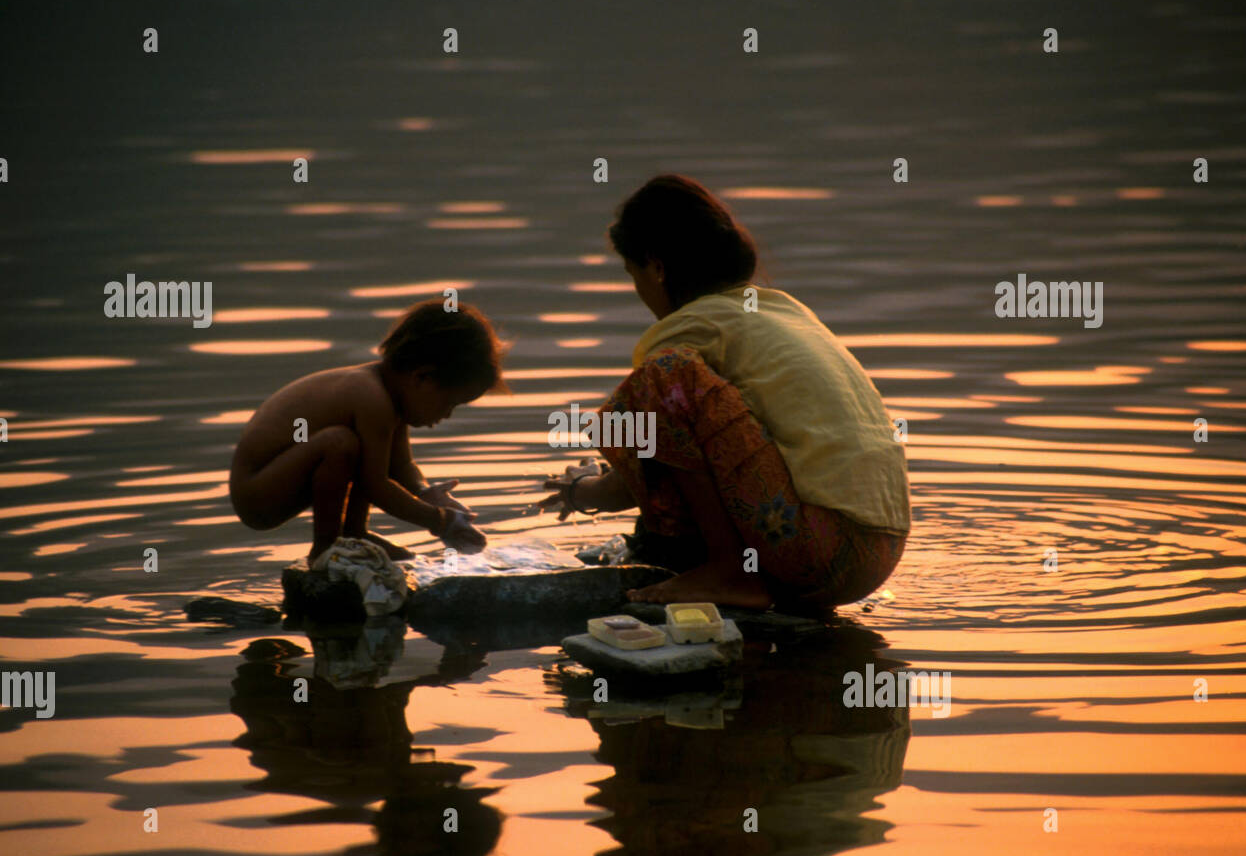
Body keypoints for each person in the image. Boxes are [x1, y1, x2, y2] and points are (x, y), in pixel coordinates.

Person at [540, 175, 910, 612]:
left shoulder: (685, 330)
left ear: (656, 269)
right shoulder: (786, 311)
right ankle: (728, 569)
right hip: (879, 554)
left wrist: (580, 490)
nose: (639, 290)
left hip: (817, 551)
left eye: (633, 274)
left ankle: (731, 572)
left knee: (662, 380)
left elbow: (629, 482)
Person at [230, 298, 506, 562]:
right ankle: (326, 548)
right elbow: (377, 486)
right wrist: (440, 522)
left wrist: (427, 494)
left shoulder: (391, 400)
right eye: (449, 403)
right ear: (421, 376)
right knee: (340, 443)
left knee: (367, 453)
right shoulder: (372, 398)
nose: (446, 415)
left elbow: (401, 465)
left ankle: (353, 533)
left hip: (278, 481)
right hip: (258, 494)